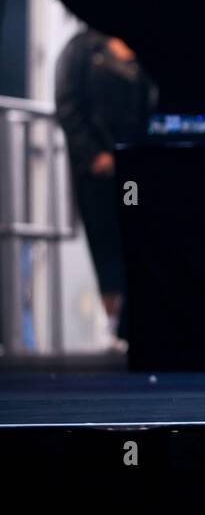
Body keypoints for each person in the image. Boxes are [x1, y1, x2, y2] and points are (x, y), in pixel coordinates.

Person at [54, 29, 159, 349]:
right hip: (97, 166)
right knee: (105, 239)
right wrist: (92, 154)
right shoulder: (82, 49)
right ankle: (113, 323)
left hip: (137, 161)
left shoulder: (139, 52)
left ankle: (133, 323)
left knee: (139, 238)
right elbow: (68, 102)